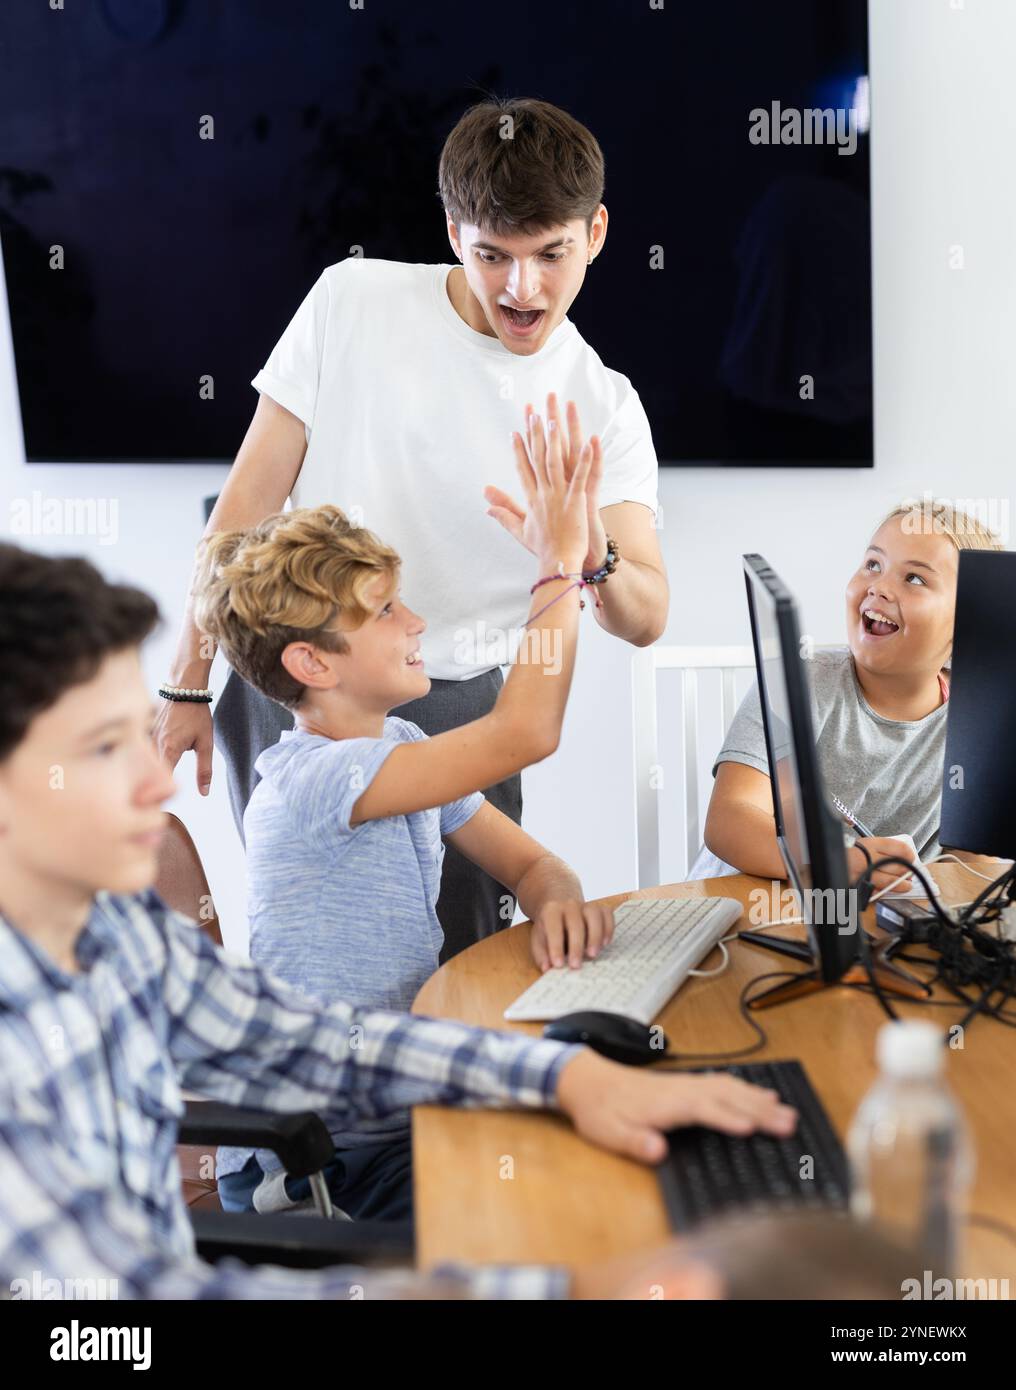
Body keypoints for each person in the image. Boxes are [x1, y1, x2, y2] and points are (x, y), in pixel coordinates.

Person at [0, 540, 793, 1300]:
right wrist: (571, 1291)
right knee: (593, 1223)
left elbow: (307, 1039)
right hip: (333, 1173)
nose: (158, 781)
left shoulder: (116, 935)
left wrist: (568, 1076)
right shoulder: (313, 780)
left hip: (388, 1130)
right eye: (107, 748)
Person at [154, 96, 669, 963]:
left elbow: (645, 615)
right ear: (452, 228)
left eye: (552, 254)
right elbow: (242, 515)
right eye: (491, 255)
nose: (522, 288)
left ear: (598, 232)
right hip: (296, 673)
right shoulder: (351, 300)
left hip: (461, 688)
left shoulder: (604, 406)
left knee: (462, 945)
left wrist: (588, 550)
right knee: (319, 933)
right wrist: (186, 683)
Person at [192, 407, 627, 1218]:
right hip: (331, 1158)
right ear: (312, 662)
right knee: (561, 1198)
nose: (417, 622)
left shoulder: (396, 744)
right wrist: (557, 567)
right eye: (387, 610)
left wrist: (557, 895)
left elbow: (530, 863)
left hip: (395, 1105)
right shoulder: (318, 781)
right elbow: (527, 730)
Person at [696, 499, 1004, 887]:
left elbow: (971, 865)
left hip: (863, 928)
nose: (879, 587)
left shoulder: (974, 725)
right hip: (742, 909)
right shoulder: (800, 683)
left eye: (914, 579)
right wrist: (834, 862)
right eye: (873, 564)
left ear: (968, 625)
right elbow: (728, 819)